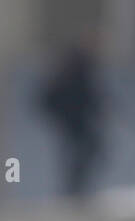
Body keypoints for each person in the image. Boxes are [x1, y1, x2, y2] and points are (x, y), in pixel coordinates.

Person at [39, 33, 105, 198]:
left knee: (84, 149)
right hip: (72, 115)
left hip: (72, 115)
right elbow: (86, 92)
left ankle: (74, 188)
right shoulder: (79, 64)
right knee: (86, 148)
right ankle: (74, 189)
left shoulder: (77, 64)